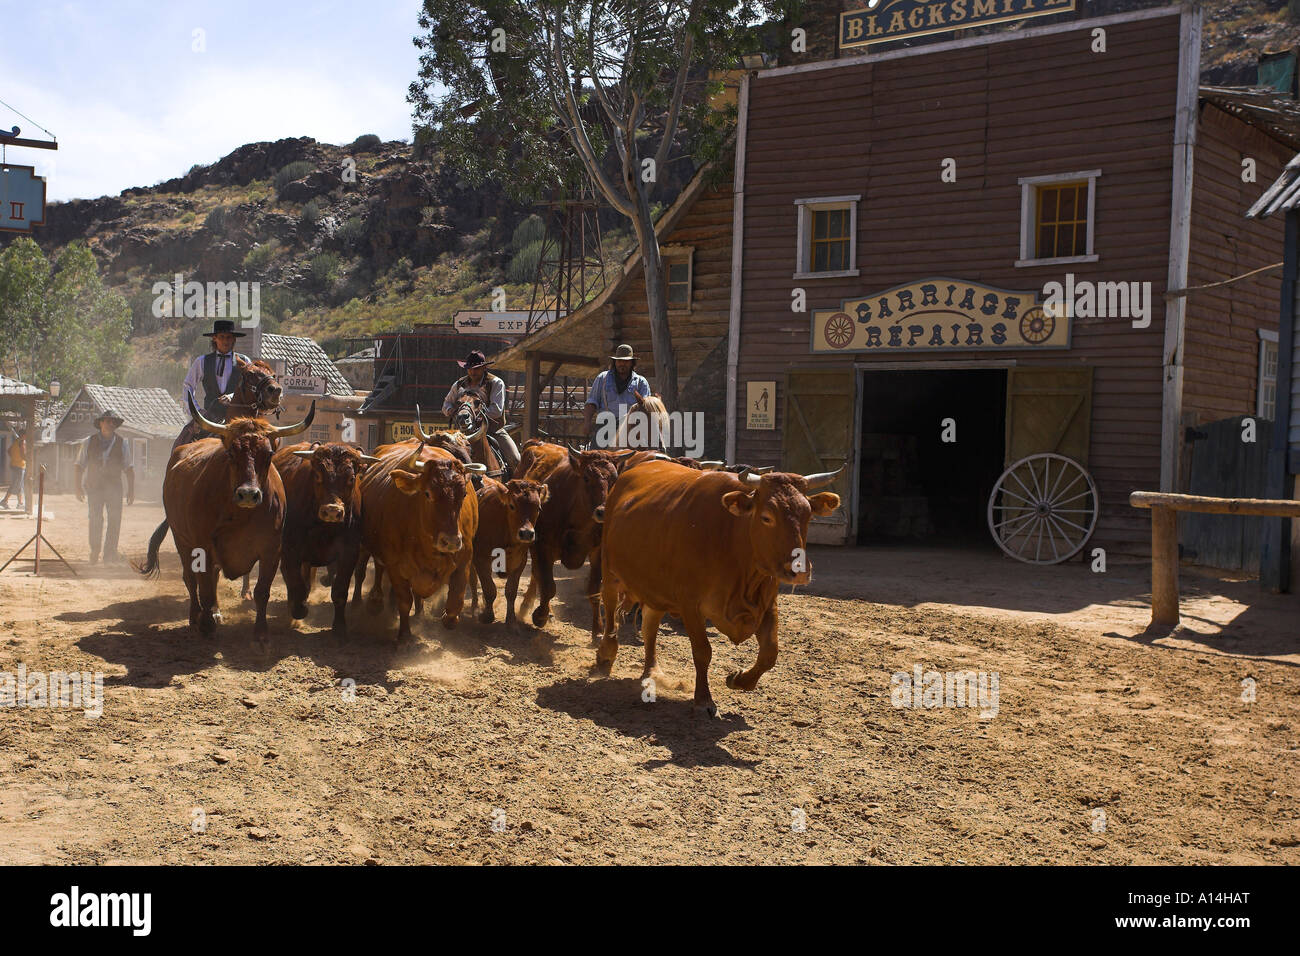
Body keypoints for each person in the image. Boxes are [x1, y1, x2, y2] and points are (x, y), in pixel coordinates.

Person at [442, 350, 520, 473]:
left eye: (476, 369)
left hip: (493, 430)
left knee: (515, 459)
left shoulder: (495, 383)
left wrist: (476, 416)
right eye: (470, 368)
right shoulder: (458, 384)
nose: (472, 372)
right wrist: (450, 410)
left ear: (484, 368)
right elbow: (446, 404)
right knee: (442, 459)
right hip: (462, 433)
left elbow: (497, 410)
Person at [76, 410, 135, 565]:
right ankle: (95, 551)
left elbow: (129, 468)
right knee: (95, 519)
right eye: (107, 421)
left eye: (113, 422)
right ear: (100, 423)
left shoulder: (122, 443)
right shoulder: (89, 441)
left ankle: (109, 555)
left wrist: (131, 490)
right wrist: (77, 487)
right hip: (94, 486)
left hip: (114, 487)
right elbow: (79, 465)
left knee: (114, 520)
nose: (110, 424)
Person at [182, 319, 251, 421]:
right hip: (209, 418)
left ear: (234, 339)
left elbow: (250, 388)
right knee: (186, 436)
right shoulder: (202, 361)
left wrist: (232, 396)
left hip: (237, 418)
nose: (225, 341)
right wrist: (197, 411)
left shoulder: (245, 361)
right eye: (221, 337)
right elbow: (188, 386)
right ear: (215, 338)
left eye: (228, 337)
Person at [583, 344, 651, 444]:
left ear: (632, 363)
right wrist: (587, 423)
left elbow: (646, 408)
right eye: (619, 361)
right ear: (614, 362)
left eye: (626, 361)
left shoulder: (640, 382)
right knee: (596, 456)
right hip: (606, 426)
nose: (622, 364)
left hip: (631, 427)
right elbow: (592, 402)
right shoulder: (603, 378)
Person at [1, 425, 26, 510]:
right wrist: (29, 459)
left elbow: (9, 450)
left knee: (19, 485)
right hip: (19, 466)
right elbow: (23, 456)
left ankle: (20, 503)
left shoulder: (16, 441)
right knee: (15, 484)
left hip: (14, 465)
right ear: (24, 435)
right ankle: (4, 501)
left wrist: (14, 457)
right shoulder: (22, 442)